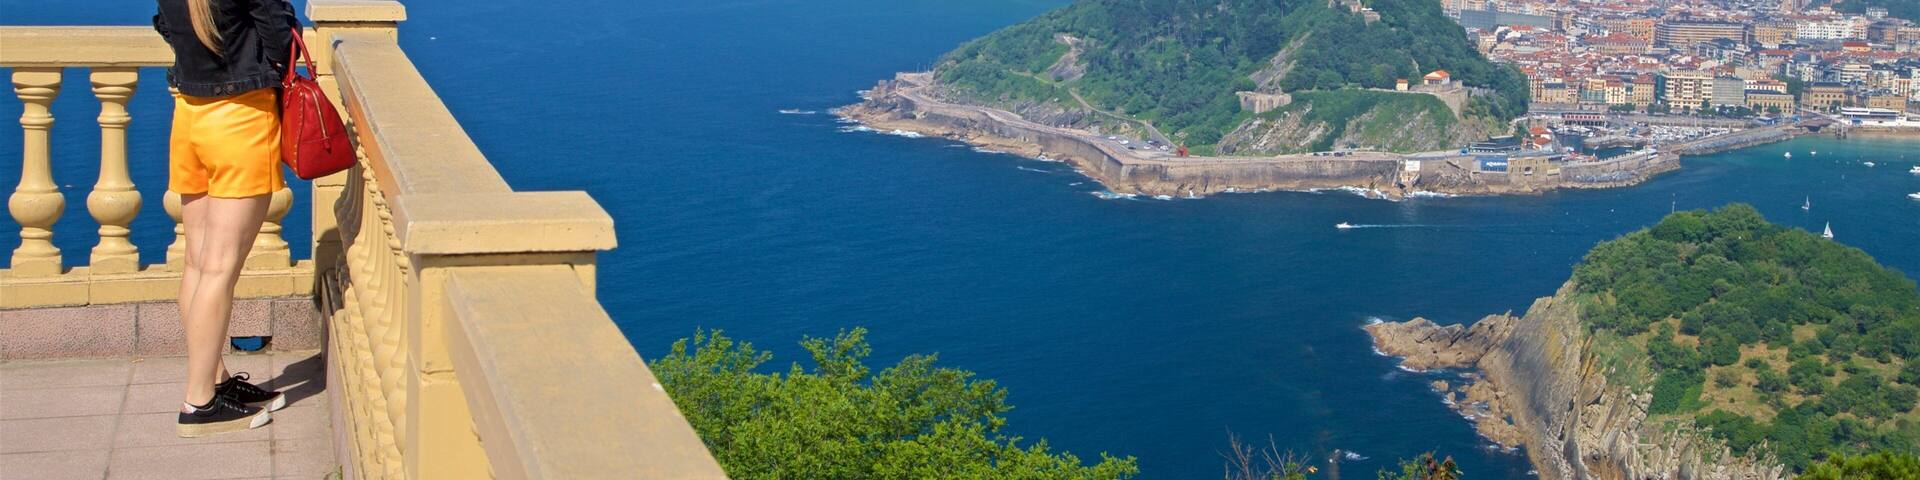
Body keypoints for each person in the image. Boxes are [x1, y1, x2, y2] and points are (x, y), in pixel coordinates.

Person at [153, 0, 298, 437]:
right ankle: (199, 403)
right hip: (240, 117)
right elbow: (279, 32)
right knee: (219, 270)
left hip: (191, 115)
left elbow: (164, 24)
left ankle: (214, 383)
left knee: (198, 264)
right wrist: (252, 61)